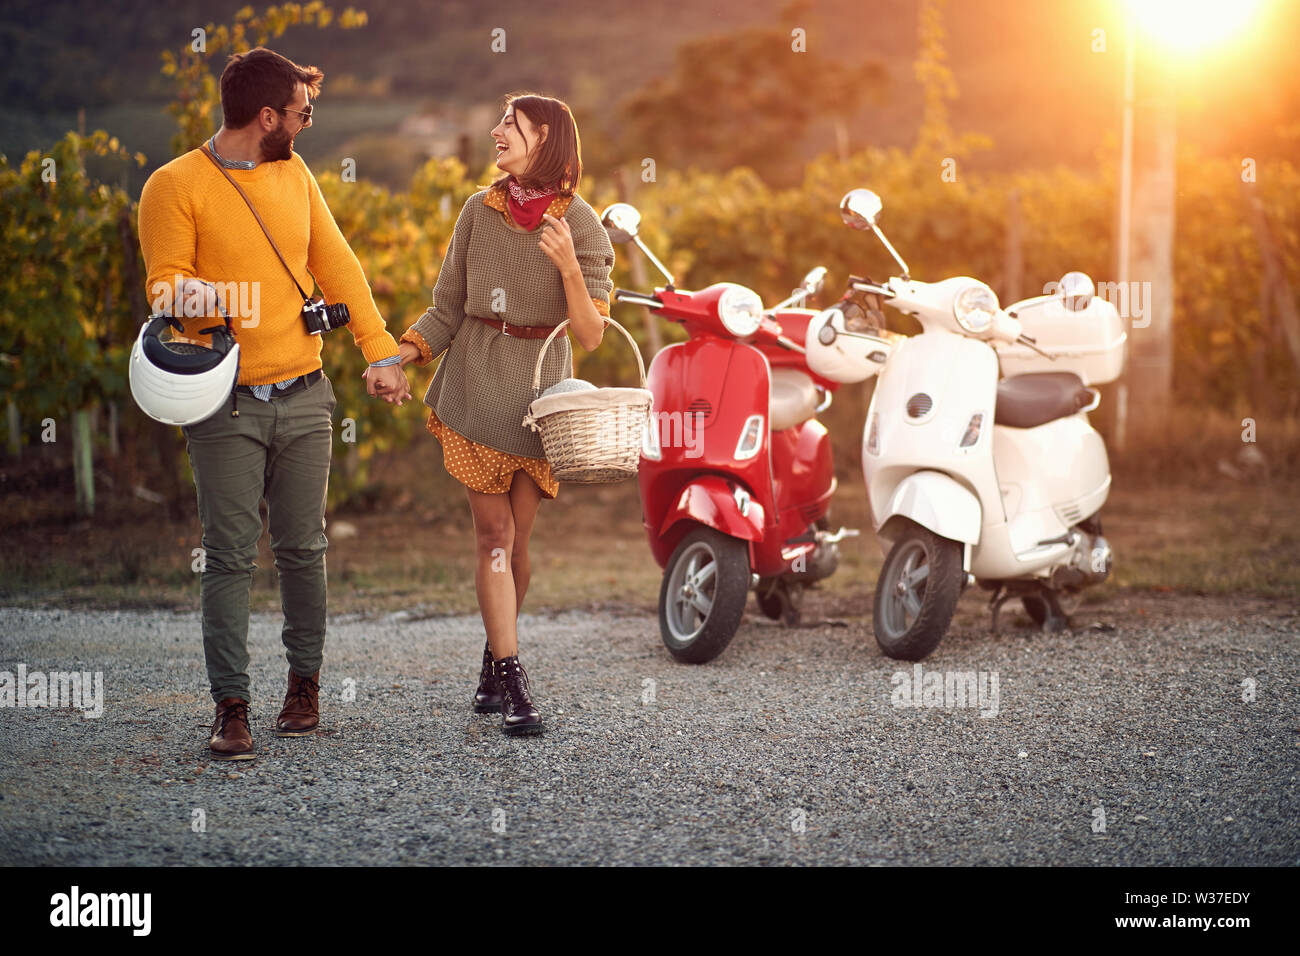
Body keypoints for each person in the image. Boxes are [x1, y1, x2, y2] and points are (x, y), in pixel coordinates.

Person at [138, 47, 411, 761]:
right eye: (301, 113)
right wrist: (231, 300)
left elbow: (338, 264)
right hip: (224, 404)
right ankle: (231, 707)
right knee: (228, 557)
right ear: (267, 117)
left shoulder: (296, 175)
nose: (306, 123)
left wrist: (378, 352)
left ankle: (304, 688)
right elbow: (164, 289)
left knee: (303, 550)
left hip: (305, 394)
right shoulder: (173, 186)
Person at [396, 93, 614, 737]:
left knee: (519, 544)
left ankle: (495, 656)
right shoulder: (478, 210)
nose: (495, 132)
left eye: (508, 124)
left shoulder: (584, 223)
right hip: (475, 383)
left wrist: (570, 266)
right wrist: (401, 355)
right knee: (493, 537)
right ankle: (514, 676)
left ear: (542, 135)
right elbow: (447, 308)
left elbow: (592, 334)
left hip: (541, 398)